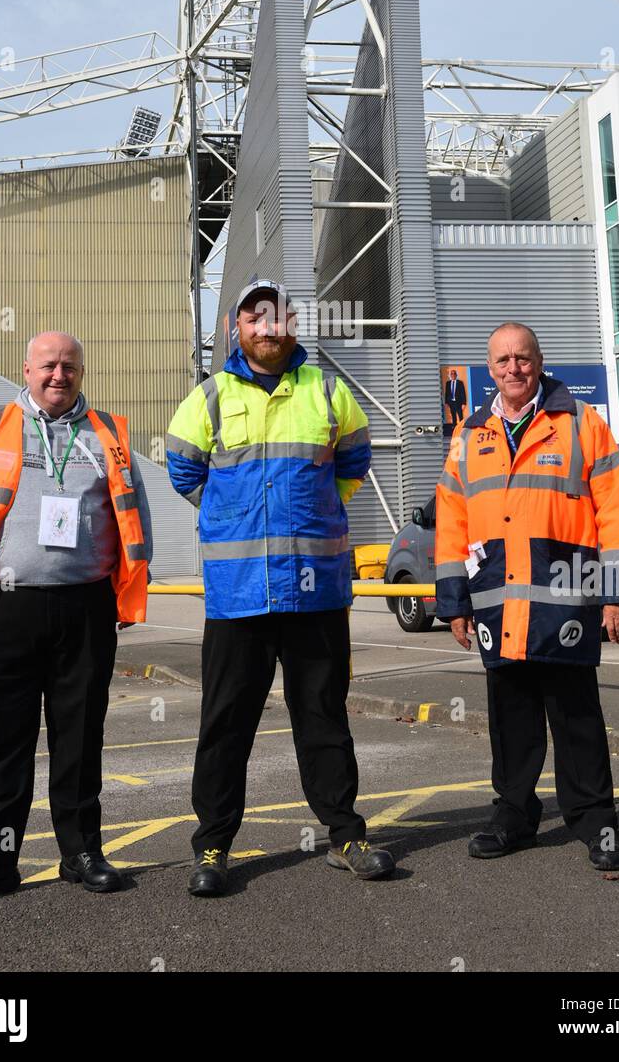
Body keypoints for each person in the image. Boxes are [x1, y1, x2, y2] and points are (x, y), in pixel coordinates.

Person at [166, 279, 395, 896]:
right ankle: (212, 845)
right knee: (226, 723)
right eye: (254, 317)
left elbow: (354, 463)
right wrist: (230, 516)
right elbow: (182, 470)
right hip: (239, 592)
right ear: (238, 329)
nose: (268, 328)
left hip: (315, 590)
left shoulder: (328, 390)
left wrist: (317, 510)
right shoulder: (210, 396)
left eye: (278, 317)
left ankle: (345, 835)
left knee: (322, 716)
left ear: (292, 325)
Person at [0, 332, 152, 905]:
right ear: (26, 369)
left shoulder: (108, 434)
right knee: (6, 744)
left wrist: (128, 592)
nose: (60, 374)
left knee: (80, 738)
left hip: (85, 606)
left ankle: (81, 854)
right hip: (5, 606)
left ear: (82, 372)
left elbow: (135, 514)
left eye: (70, 366)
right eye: (49, 365)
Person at [435, 322, 619, 870]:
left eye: (522, 358)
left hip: (567, 601)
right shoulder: (470, 434)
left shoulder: (581, 422)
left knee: (576, 717)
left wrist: (617, 596)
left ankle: (597, 821)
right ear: (490, 369)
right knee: (511, 718)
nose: (512, 369)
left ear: (539, 360)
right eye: (501, 360)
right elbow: (452, 522)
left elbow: (617, 511)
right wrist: (453, 603)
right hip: (497, 603)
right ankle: (513, 817)